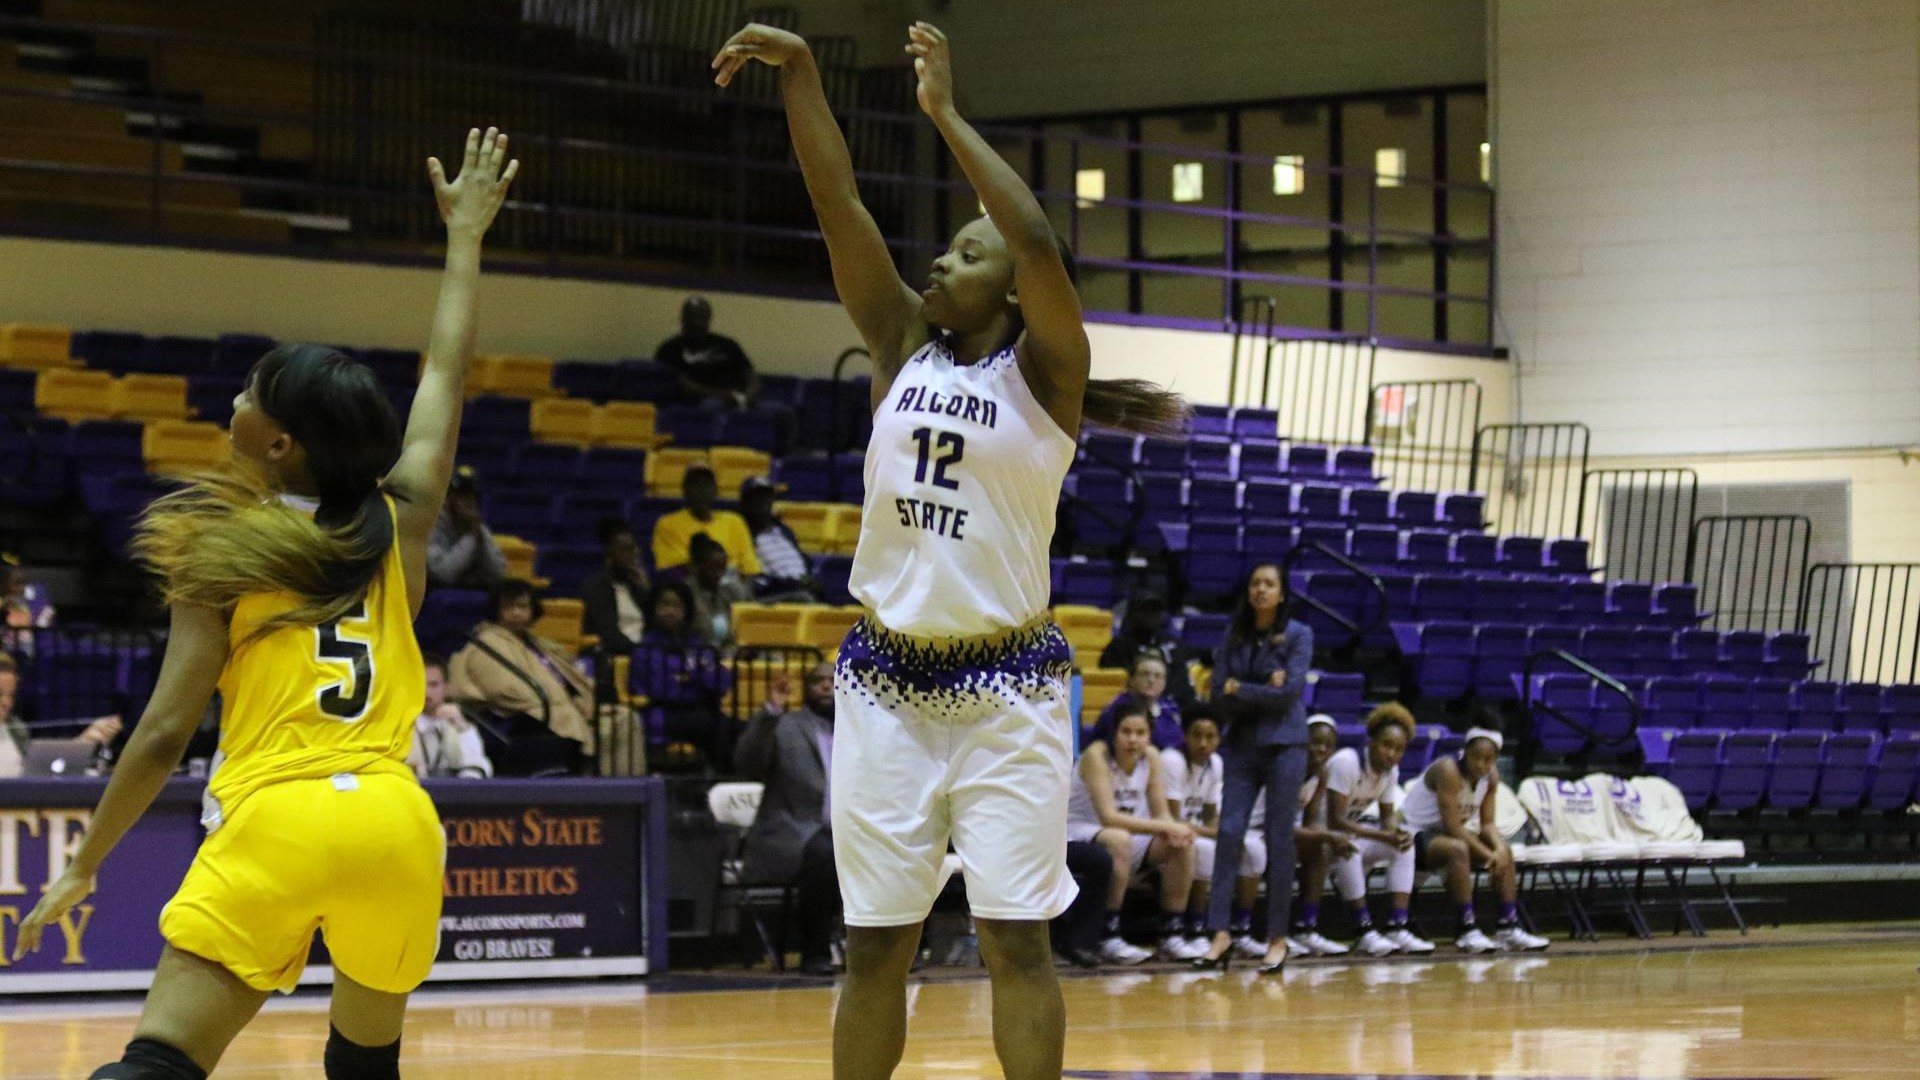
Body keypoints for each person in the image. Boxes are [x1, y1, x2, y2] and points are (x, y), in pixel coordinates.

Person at [713, 20, 1184, 1080]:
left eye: (967, 254)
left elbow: (1037, 240)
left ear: (1011, 290)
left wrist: (946, 116)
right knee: (876, 948)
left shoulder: (1047, 378)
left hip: (1008, 693)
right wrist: (804, 78)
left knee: (1017, 942)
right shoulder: (894, 344)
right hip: (885, 688)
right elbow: (839, 201)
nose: (939, 258)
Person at [9, 127, 516, 1079]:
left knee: (160, 1061)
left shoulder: (222, 552)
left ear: (279, 444)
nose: (232, 400)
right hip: (396, 825)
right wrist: (465, 241)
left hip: (277, 816)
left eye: (248, 393)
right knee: (364, 1068)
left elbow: (163, 733)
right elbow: (444, 376)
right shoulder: (401, 519)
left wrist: (85, 861)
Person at [1193, 562, 1312, 974]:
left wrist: (1240, 687)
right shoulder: (1234, 634)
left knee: (1280, 839)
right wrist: (1262, 685)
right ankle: (1220, 933)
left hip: (1285, 745)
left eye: (1269, 584)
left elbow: (1288, 695)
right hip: (1242, 744)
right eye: (1255, 583)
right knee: (1228, 833)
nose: (1261, 589)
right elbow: (1217, 696)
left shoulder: (1299, 635)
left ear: (1281, 593)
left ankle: (1277, 938)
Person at [1065, 706, 1205, 964]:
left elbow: (1161, 812)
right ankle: (1109, 933)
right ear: (1113, 733)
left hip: (1124, 832)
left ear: (1150, 736)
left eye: (1140, 733)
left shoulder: (1151, 757)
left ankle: (1172, 933)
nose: (1133, 739)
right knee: (1119, 839)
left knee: (1182, 845)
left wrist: (1173, 829)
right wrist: (1167, 826)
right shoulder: (1097, 756)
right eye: (1126, 732)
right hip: (1077, 830)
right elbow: (1109, 817)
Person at [1400, 720, 1551, 953]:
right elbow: (1452, 826)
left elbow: (1488, 824)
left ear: (1496, 758)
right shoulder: (1448, 770)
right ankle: (1466, 928)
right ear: (1465, 752)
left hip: (1446, 837)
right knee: (1457, 848)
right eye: (1475, 757)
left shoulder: (1490, 777)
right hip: (1413, 836)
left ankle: (1507, 926)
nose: (1481, 764)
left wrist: (1499, 850)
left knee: (1506, 851)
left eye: (1488, 759)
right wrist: (1489, 854)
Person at [736, 662, 840, 975]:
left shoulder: (861, 730)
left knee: (901, 847)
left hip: (849, 831)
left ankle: (902, 954)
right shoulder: (785, 726)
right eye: (818, 680)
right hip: (794, 835)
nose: (825, 686)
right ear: (806, 688)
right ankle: (816, 954)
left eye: (832, 680)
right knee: (826, 852)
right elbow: (747, 764)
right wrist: (770, 713)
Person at [449, 578, 598, 762]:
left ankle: (617, 785)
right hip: (520, 717)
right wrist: (564, 703)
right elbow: (505, 689)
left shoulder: (538, 643)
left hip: (559, 706)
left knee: (620, 718)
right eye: (508, 607)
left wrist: (581, 700)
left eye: (522, 607)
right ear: (496, 610)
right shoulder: (488, 641)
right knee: (567, 717)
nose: (516, 613)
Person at [1326, 703, 1432, 956]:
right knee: (1348, 848)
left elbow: (1387, 819)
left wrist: (1397, 833)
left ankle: (1398, 925)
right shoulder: (1346, 762)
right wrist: (1382, 834)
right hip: (1318, 835)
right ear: (1371, 740)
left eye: (1399, 749)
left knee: (1403, 847)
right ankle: (1363, 930)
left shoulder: (1390, 772)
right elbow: (1335, 820)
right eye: (1387, 745)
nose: (1392, 754)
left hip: (1349, 833)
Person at [1160, 709, 1267, 959]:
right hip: (1164, 831)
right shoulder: (1172, 760)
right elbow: (1174, 819)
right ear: (1185, 736)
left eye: (1211, 737)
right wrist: (1219, 833)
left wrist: (1222, 831)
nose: (1203, 743)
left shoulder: (1215, 763)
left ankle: (1242, 930)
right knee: (1208, 849)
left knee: (1254, 849)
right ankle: (1195, 928)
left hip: (1194, 830)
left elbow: (1210, 815)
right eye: (1196, 736)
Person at [633, 580, 734, 767]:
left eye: (677, 605)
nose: (671, 611)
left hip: (700, 710)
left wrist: (691, 678)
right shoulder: (645, 648)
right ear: (653, 610)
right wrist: (699, 678)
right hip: (665, 714)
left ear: (686, 611)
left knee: (738, 726)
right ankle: (722, 780)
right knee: (718, 727)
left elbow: (722, 681)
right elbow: (660, 688)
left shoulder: (696, 644)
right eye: (664, 605)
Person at [1283, 714, 1354, 957]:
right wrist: (1328, 836)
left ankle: (1307, 927)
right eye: (1316, 742)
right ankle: (1275, 932)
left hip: (1283, 833)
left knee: (1320, 849)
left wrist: (1328, 837)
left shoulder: (1321, 773)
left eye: (1328, 745)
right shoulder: (1285, 766)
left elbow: (1312, 821)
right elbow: (1278, 826)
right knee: (1287, 850)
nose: (1321, 749)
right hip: (1257, 829)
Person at [0, 653, 122, 778]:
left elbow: (39, 772)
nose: (7, 703)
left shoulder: (16, 728)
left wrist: (86, 740)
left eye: (11, 695)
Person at [651, 465, 761, 575]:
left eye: (707, 484)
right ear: (684, 490)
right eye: (695, 484)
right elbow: (675, 567)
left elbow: (750, 566)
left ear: (716, 491)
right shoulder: (667, 524)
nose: (701, 490)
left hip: (736, 585)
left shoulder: (735, 521)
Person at [654, 296, 758, 408]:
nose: (697, 323)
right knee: (711, 405)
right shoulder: (669, 349)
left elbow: (750, 375)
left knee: (775, 411)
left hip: (736, 401)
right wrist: (724, 396)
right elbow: (682, 385)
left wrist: (747, 397)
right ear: (682, 319)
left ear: (709, 319)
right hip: (694, 407)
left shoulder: (728, 345)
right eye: (692, 317)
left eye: (702, 317)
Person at [407, 652, 492, 779]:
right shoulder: (400, 724)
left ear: (446, 688)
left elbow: (478, 765)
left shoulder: (459, 723)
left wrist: (462, 728)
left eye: (433, 685)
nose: (426, 692)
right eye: (421, 684)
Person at [1098, 593, 1194, 706]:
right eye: (1146, 610)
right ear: (1133, 614)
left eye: (1155, 610)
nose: (1151, 615)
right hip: (1135, 707)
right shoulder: (1119, 646)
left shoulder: (1173, 644)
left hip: (1178, 707)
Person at [426, 465, 509, 589]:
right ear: (448, 497)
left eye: (471, 495)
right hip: (433, 596)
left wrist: (477, 533)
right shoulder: (430, 524)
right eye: (460, 495)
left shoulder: (477, 526)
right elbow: (442, 574)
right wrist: (471, 537)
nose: (467, 501)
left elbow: (498, 573)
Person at [580, 517, 651, 654]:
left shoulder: (636, 585)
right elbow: (609, 637)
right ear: (610, 553)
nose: (635, 553)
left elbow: (655, 625)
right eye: (627, 549)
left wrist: (646, 589)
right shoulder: (595, 587)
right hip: (616, 657)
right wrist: (643, 653)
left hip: (644, 655)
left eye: (635, 547)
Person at [740, 476, 818, 600]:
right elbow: (757, 580)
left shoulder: (783, 530)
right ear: (746, 502)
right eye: (758, 497)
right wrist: (792, 584)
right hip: (772, 595)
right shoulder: (745, 532)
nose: (764, 501)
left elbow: (803, 559)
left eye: (767, 496)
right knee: (803, 598)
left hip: (801, 587)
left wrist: (811, 577)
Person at [1087, 651, 1182, 750]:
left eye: (1158, 676)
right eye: (1145, 674)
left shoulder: (1170, 706)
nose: (1151, 680)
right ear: (1131, 679)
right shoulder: (1118, 708)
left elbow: (1178, 740)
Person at [686, 533, 753, 648]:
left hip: (728, 655)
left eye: (722, 569)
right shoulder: (685, 594)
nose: (719, 575)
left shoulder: (728, 592)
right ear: (697, 566)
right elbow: (702, 632)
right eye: (713, 569)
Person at [1, 552, 56, 654]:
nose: (15, 573)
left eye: (18, 568)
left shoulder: (38, 594)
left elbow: (44, 624)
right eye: (8, 569)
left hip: (29, 651)